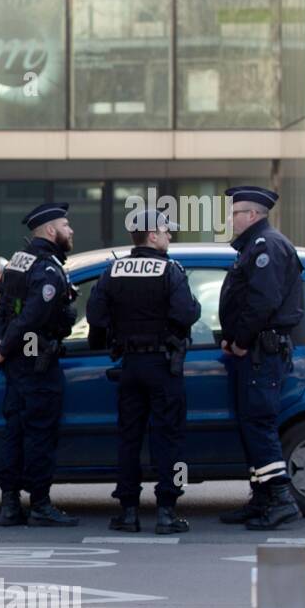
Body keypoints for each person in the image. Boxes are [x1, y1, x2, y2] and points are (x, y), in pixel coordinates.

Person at [86, 209, 201, 534]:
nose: (169, 236)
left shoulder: (114, 270)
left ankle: (128, 511)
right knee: (171, 438)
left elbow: (95, 313)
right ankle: (167, 511)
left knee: (129, 439)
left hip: (130, 366)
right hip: (164, 366)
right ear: (151, 235)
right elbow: (186, 313)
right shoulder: (171, 270)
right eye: (166, 231)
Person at [0, 203, 80, 527]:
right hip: (38, 361)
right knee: (40, 434)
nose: (71, 231)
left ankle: (9, 505)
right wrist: (6, 345)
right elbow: (32, 317)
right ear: (51, 231)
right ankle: (40, 504)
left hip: (15, 364)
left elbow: (2, 312)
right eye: (66, 226)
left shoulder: (17, 262)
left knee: (15, 432)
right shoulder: (48, 269)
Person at [217, 186, 305, 529]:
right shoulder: (255, 247)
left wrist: (240, 340)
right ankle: (262, 498)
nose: (231, 219)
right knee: (251, 426)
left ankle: (281, 499)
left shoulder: (266, 246)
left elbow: (261, 302)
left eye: (235, 213)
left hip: (259, 352)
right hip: (255, 351)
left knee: (259, 424)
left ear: (252, 215)